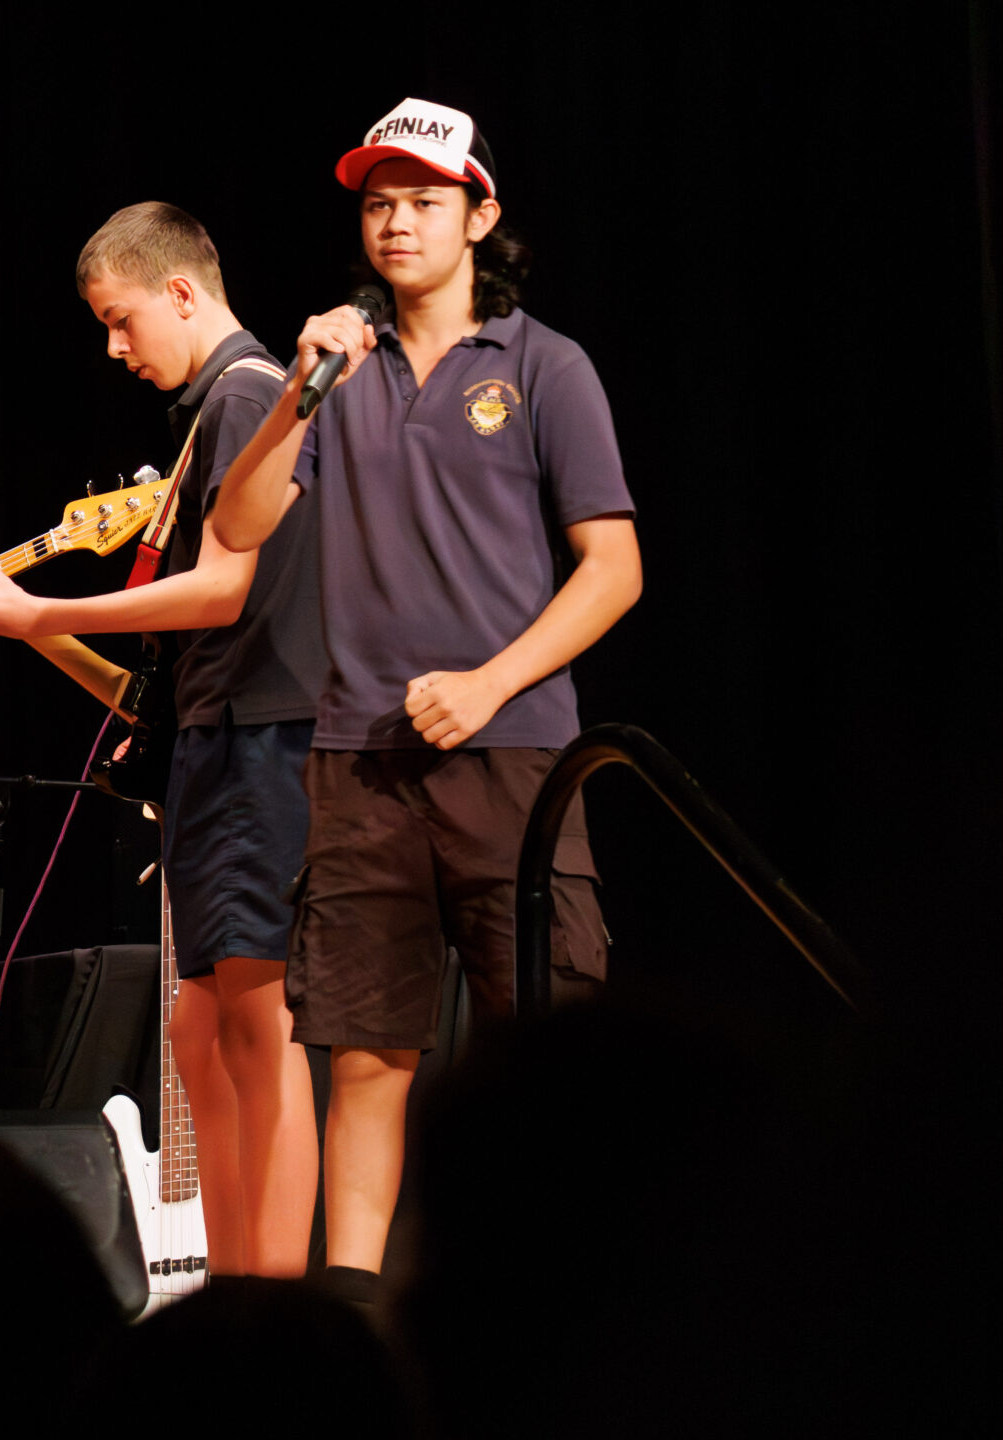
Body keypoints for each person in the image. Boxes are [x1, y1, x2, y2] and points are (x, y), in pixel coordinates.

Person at [206, 99, 642, 1296]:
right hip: (358, 760)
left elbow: (615, 568)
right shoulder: (336, 372)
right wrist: (299, 387)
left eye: (424, 201)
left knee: (543, 1055)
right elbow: (236, 528)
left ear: (479, 214)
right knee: (365, 1056)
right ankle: (349, 1319)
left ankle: (563, 1300)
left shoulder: (545, 366)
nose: (396, 222)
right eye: (377, 201)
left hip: (514, 761)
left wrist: (494, 681)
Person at [0, 203, 320, 1278]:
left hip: (262, 738)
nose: (115, 349)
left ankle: (271, 1297)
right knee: (197, 1036)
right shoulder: (214, 412)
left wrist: (36, 614)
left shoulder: (252, 393)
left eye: (120, 320)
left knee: (257, 1031)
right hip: (214, 738)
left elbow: (219, 590)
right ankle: (233, 1278)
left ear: (179, 292)